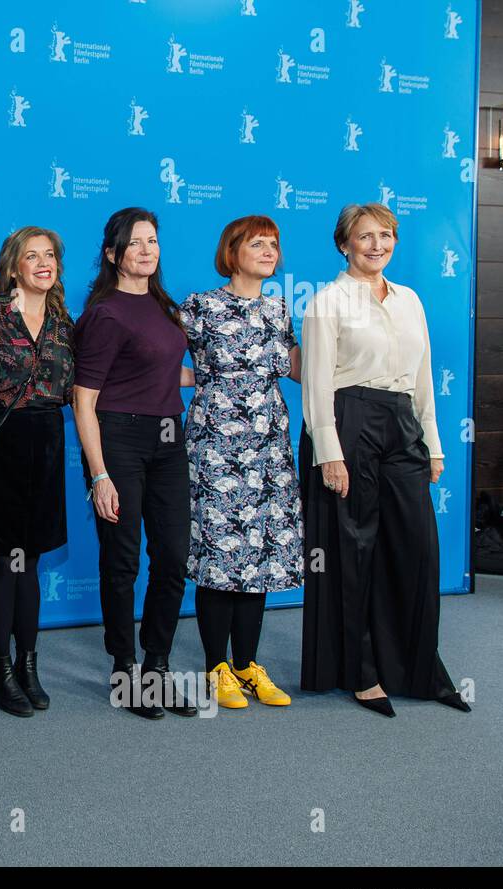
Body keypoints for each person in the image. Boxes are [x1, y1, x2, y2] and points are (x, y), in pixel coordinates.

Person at [299, 202, 469, 717]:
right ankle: (363, 672)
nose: (377, 245)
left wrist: (433, 445)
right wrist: (329, 452)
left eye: (386, 235)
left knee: (415, 549)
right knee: (354, 553)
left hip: (403, 427)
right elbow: (317, 384)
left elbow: (422, 380)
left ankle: (418, 670)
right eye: (365, 236)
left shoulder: (410, 300)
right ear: (344, 244)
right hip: (349, 423)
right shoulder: (327, 302)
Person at [72, 207, 196, 720]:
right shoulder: (105, 313)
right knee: (122, 560)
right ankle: (124, 669)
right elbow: (84, 400)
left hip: (169, 440)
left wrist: (233, 373)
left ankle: (158, 667)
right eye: (135, 242)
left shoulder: (165, 307)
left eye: (152, 241)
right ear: (112, 254)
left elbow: (168, 373)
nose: (146, 250)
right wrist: (98, 474)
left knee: (173, 556)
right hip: (118, 439)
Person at [0, 227, 76, 718]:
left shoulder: (66, 324)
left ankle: (28, 665)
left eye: (51, 255)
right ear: (13, 265)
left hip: (46, 448)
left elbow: (84, 392)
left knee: (33, 562)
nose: (44, 262)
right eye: (32, 256)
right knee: (5, 562)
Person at [179, 215, 301, 711]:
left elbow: (296, 369)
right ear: (233, 251)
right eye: (257, 243)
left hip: (270, 448)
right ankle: (217, 668)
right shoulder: (201, 306)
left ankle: (249, 665)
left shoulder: (279, 310)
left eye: (273, 244)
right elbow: (160, 360)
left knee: (259, 554)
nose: (269, 251)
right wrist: (206, 385)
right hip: (216, 448)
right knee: (219, 558)